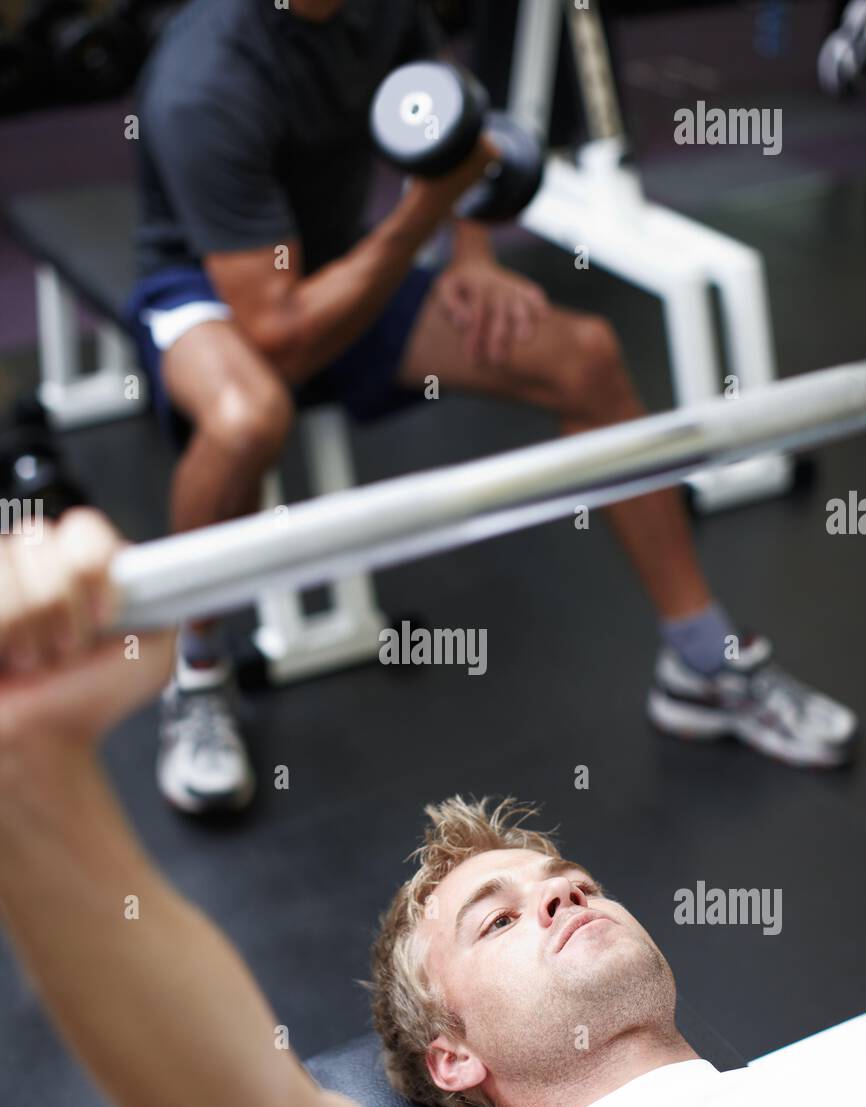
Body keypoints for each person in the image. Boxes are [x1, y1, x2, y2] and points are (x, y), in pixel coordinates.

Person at [1, 514, 863, 1107]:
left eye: (573, 883)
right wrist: (30, 764)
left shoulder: (837, 1080)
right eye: (497, 919)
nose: (561, 893)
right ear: (451, 1058)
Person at [126, 0, 856, 814]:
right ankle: (195, 673)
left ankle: (701, 660)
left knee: (581, 357)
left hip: (346, 267)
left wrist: (468, 249)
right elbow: (281, 335)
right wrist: (426, 216)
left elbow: (451, 119)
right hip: (215, 300)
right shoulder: (206, 78)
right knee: (247, 417)